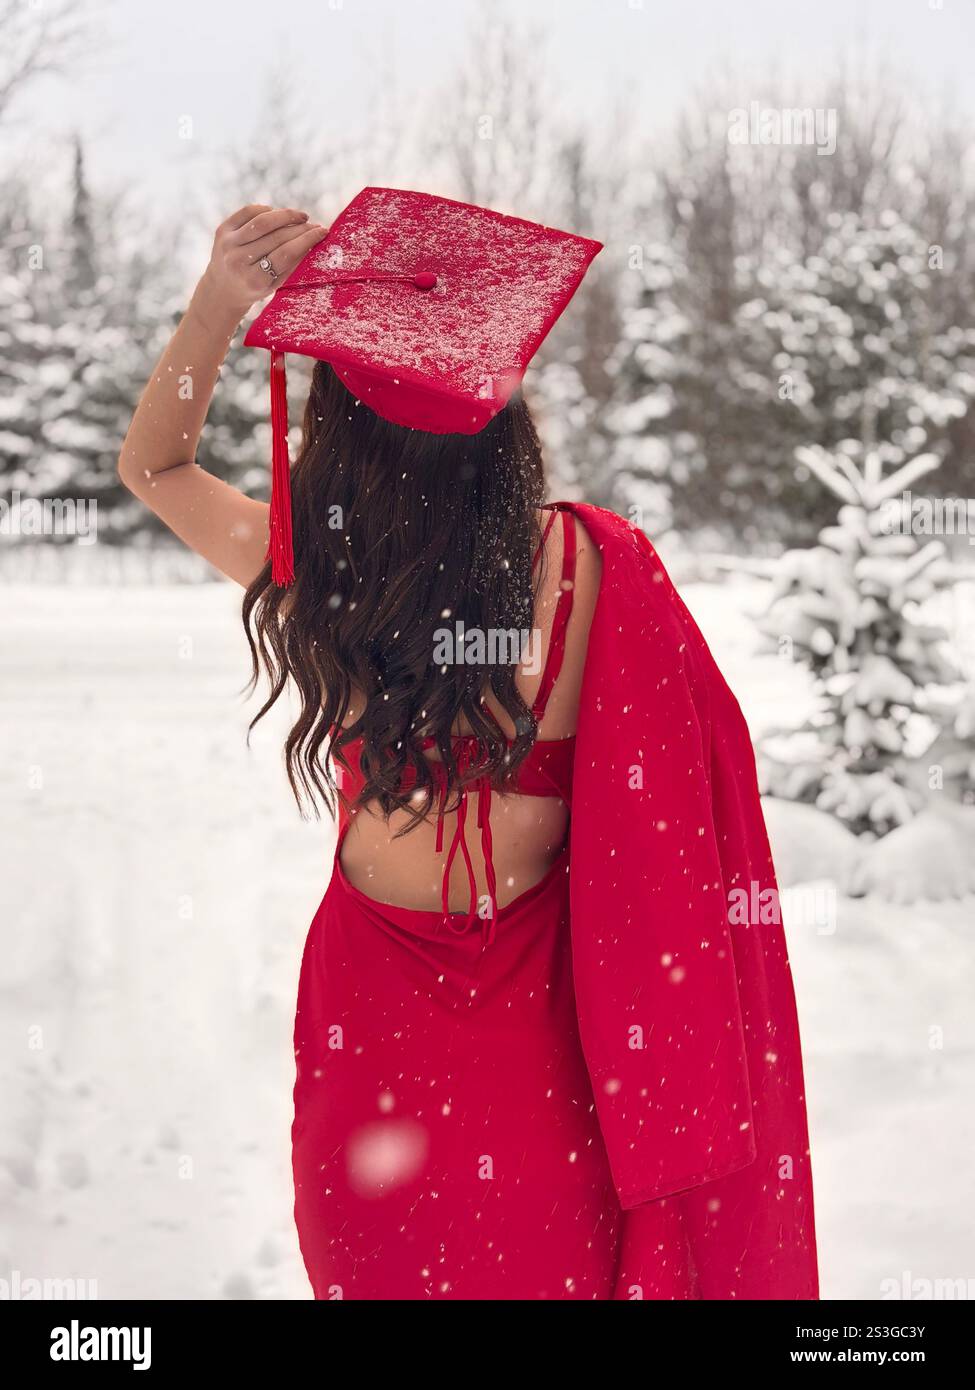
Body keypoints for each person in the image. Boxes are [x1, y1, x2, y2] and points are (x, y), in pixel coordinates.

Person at [119, 188, 818, 1300]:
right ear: (505, 429)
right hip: (549, 1076)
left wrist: (217, 306)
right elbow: (685, 820)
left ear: (337, 437)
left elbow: (153, 467)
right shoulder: (595, 575)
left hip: (373, 1061)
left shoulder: (315, 569)